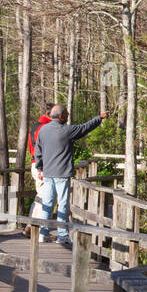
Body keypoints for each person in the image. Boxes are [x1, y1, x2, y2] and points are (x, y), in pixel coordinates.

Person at [34, 104, 109, 246]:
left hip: (48, 173)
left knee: (47, 204)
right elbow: (85, 128)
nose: (68, 117)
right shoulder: (67, 131)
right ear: (61, 116)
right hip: (62, 173)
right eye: (67, 115)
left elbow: (38, 151)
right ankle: (62, 236)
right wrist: (99, 118)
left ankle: (42, 234)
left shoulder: (43, 130)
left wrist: (40, 168)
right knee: (62, 204)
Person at [26, 106, 55, 236]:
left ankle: (30, 226)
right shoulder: (45, 128)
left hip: (36, 164)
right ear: (49, 113)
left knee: (41, 196)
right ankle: (36, 230)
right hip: (42, 166)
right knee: (45, 198)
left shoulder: (35, 126)